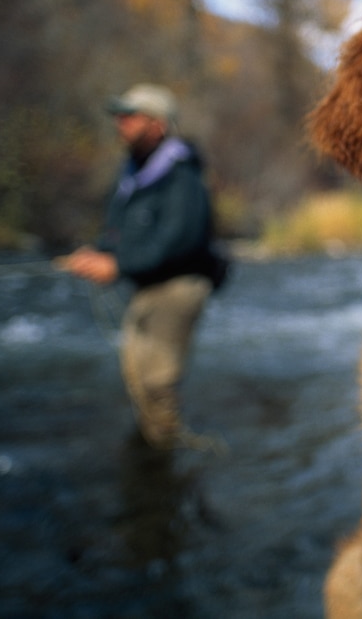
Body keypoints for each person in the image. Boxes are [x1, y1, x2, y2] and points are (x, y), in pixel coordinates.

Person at [61, 83, 226, 449]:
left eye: (130, 117)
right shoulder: (135, 172)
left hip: (180, 287)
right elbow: (120, 233)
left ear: (157, 125)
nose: (120, 123)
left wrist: (116, 267)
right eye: (119, 116)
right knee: (135, 371)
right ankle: (154, 443)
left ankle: (168, 451)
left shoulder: (183, 177)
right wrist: (97, 253)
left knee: (157, 379)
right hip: (148, 283)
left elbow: (179, 242)